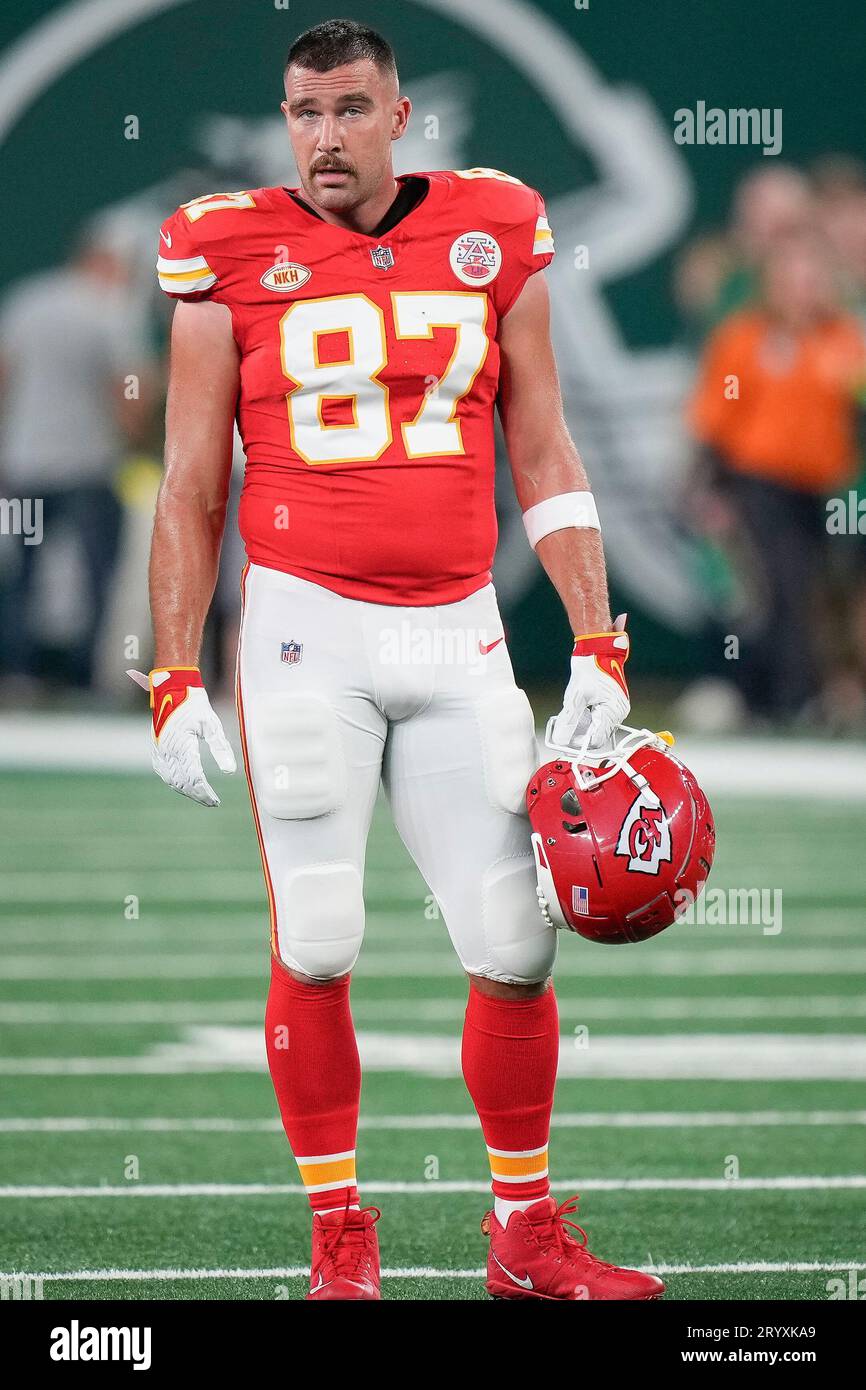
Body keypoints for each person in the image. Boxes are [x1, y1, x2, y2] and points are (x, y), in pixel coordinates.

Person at [143, 18, 661, 1302]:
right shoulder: (225, 244)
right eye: (301, 111)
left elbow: (542, 447)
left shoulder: (495, 226)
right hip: (306, 629)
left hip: (460, 629)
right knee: (318, 937)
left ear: (399, 113)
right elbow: (193, 482)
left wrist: (596, 632)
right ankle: (339, 1244)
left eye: (347, 110)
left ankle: (524, 1238)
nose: (321, 136)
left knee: (511, 941)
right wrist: (169, 670)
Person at [687, 230, 866, 722]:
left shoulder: (844, 339)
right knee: (773, 588)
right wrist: (705, 490)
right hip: (758, 485)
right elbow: (713, 422)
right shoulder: (745, 339)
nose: (803, 289)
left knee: (816, 592)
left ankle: (800, 695)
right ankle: (777, 697)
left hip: (823, 490)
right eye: (792, 277)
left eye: (813, 277)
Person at [0, 233, 150, 692]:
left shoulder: (28, 299)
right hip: (89, 467)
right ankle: (83, 677)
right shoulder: (111, 308)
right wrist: (135, 441)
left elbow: (5, 375)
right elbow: (130, 388)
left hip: (25, 467)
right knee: (96, 573)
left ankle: (17, 671)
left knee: (20, 571)